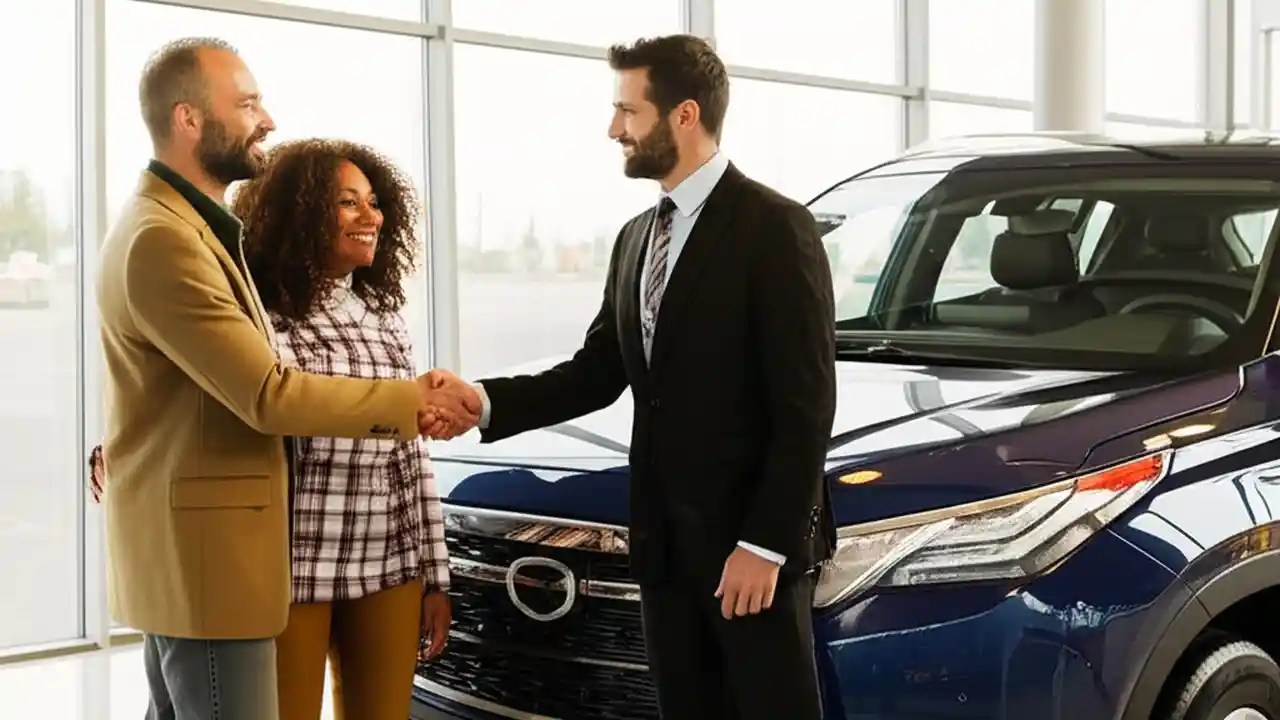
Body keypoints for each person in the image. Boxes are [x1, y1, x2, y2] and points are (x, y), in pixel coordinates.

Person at [431, 33, 837, 720]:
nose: (613, 128)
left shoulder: (775, 228)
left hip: (748, 554)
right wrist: (484, 402)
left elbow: (804, 407)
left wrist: (765, 545)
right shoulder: (635, 239)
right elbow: (598, 373)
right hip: (662, 551)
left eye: (628, 111)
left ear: (683, 114)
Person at [96, 38, 475, 720]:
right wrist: (413, 401)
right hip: (276, 563)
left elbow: (179, 391)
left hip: (377, 559)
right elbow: (264, 393)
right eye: (246, 103)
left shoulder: (208, 238)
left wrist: (432, 569)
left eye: (373, 203)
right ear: (188, 119)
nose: (266, 118)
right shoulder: (168, 239)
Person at [229, 138, 451, 720]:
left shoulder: (384, 320)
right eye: (347, 203)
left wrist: (436, 574)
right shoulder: (261, 319)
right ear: (299, 217)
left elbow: (411, 458)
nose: (371, 216)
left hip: (390, 562)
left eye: (374, 203)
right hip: (293, 563)